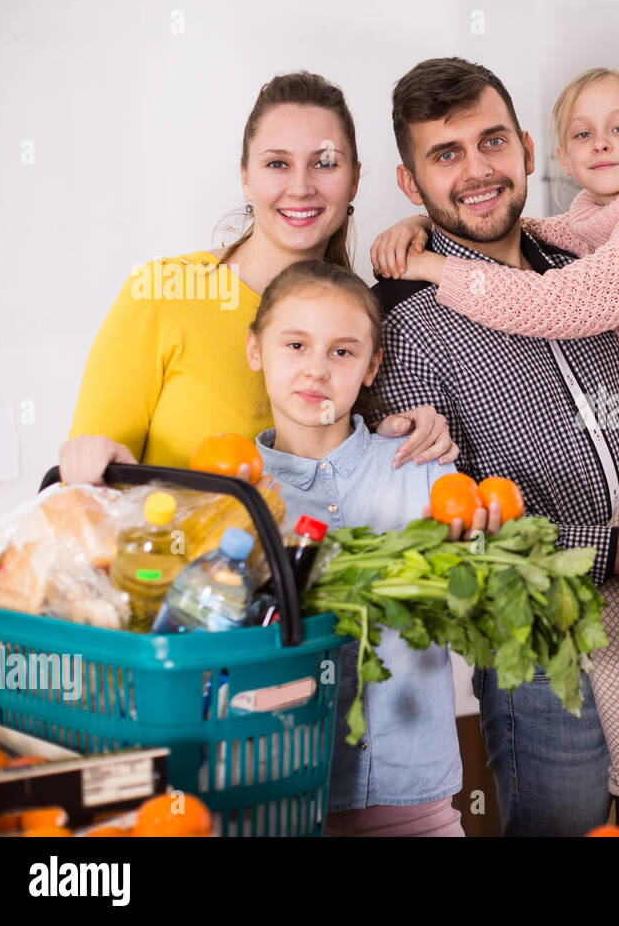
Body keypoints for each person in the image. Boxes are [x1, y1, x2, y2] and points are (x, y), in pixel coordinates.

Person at [361, 57, 619, 836]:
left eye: (492, 142)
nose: (477, 171)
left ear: (530, 153)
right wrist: (614, 553)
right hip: (550, 661)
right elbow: (440, 538)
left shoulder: (595, 261)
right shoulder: (401, 324)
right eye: (446, 155)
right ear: (412, 185)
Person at [59, 71, 454, 486]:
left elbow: (353, 475)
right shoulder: (161, 292)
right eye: (277, 163)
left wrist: (409, 432)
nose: (300, 187)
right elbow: (81, 490)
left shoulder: (360, 322)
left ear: (354, 180)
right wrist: (97, 480)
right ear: (246, 178)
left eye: (324, 163)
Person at [247, 258, 485, 837]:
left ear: (373, 365)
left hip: (419, 804)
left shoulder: (426, 472)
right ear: (256, 350)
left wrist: (483, 554)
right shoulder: (238, 498)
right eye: (296, 345)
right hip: (281, 804)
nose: (317, 371)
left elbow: (474, 607)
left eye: (343, 352)